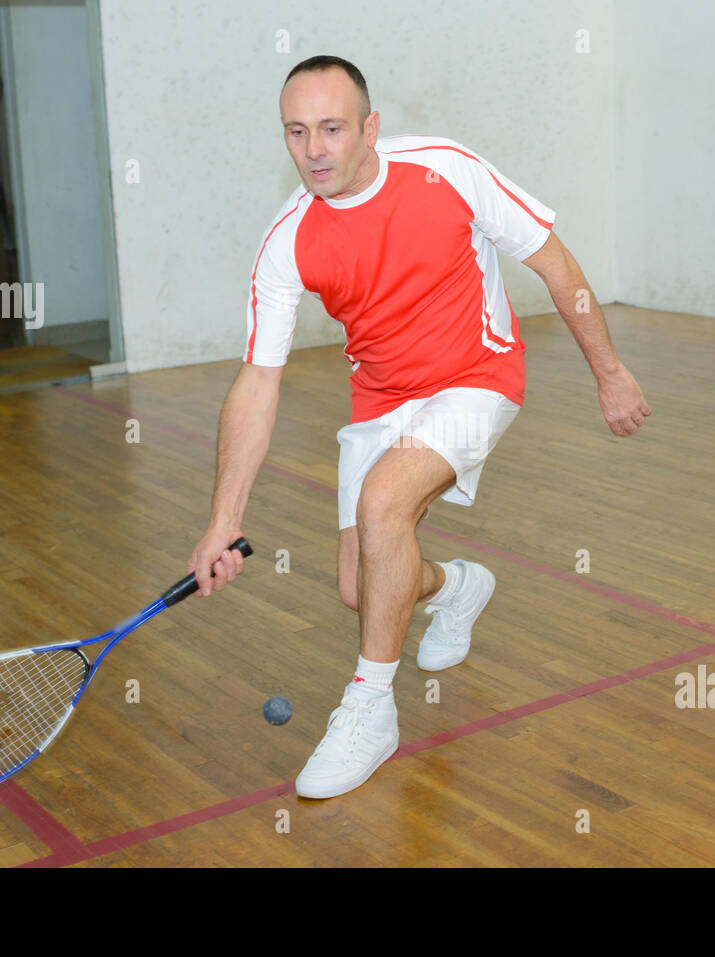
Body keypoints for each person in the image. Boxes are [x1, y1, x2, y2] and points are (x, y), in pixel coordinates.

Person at [189, 55, 650, 799]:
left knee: (382, 503)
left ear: (370, 128)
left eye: (333, 128)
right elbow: (257, 384)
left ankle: (370, 708)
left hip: (479, 376)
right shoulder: (288, 239)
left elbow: (555, 264)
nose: (315, 151)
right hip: (380, 402)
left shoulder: (447, 169)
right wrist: (222, 522)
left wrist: (610, 372)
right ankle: (457, 587)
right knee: (359, 586)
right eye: (297, 132)